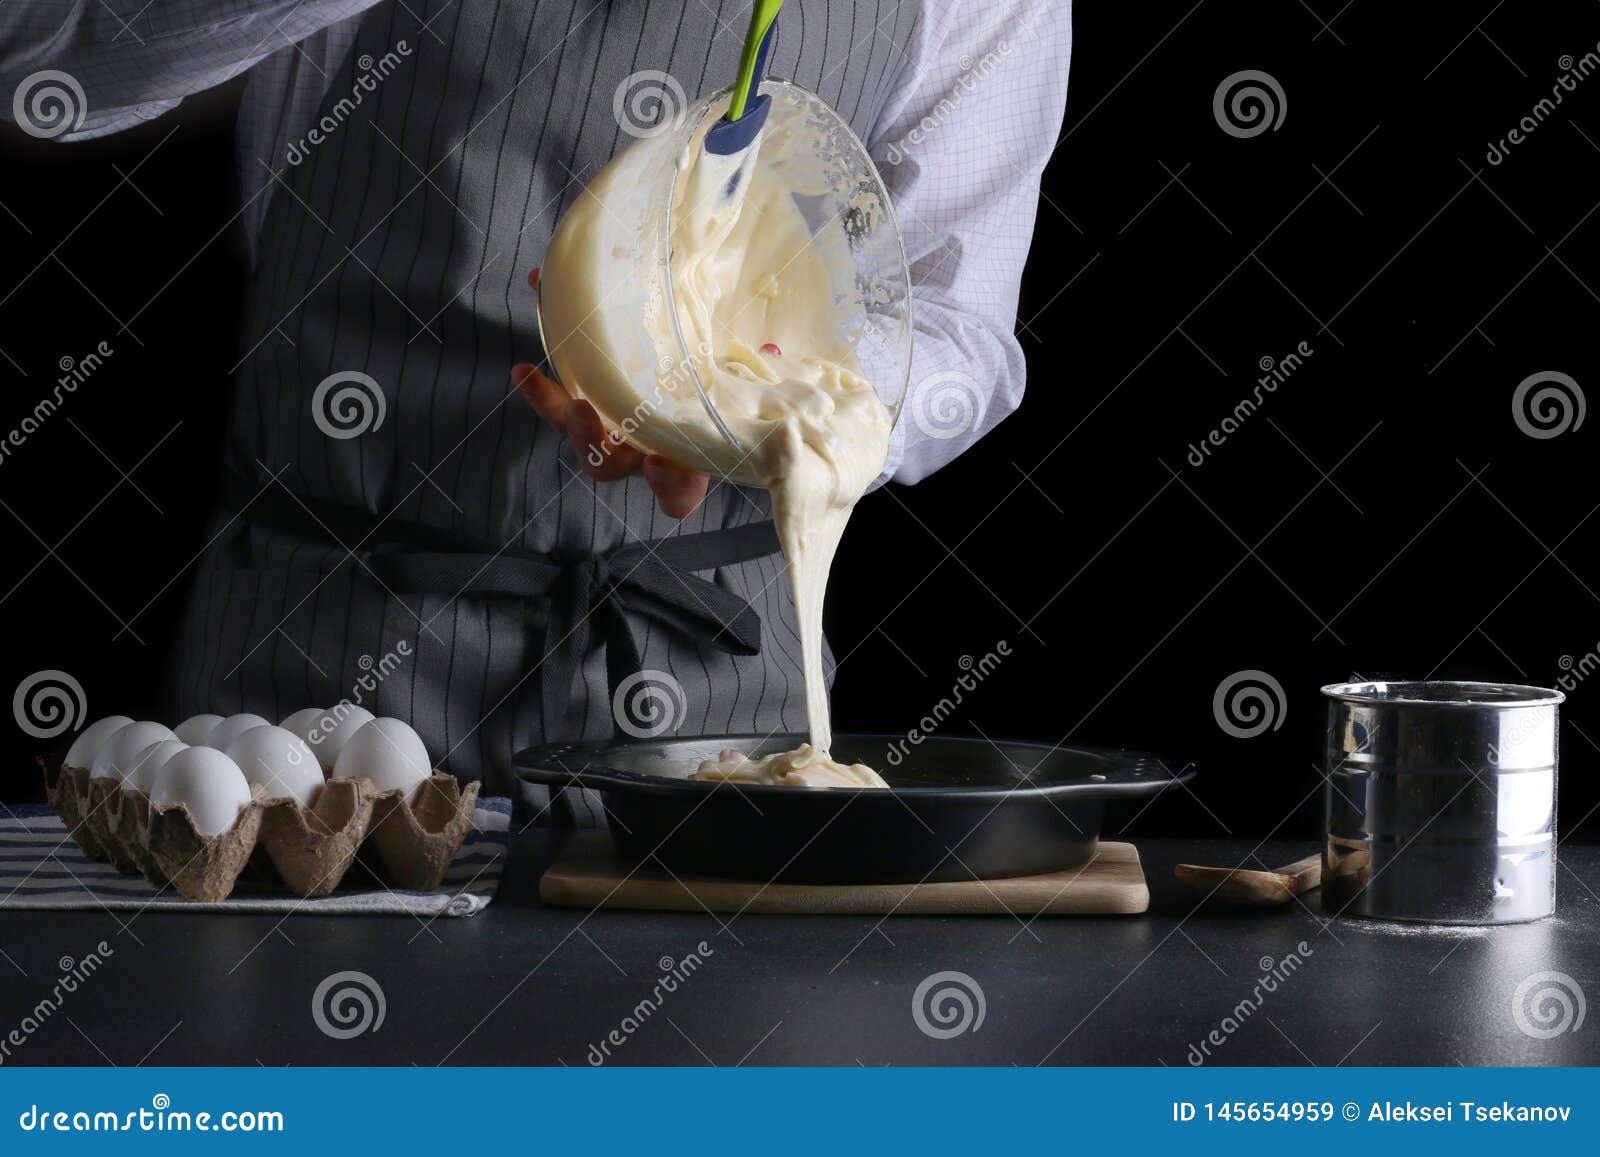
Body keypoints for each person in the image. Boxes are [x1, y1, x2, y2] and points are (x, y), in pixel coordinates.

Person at [2, 1, 1072, 817]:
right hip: (318, 681)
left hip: (724, 704)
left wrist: (774, 413)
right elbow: (47, 62)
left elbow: (957, 326)